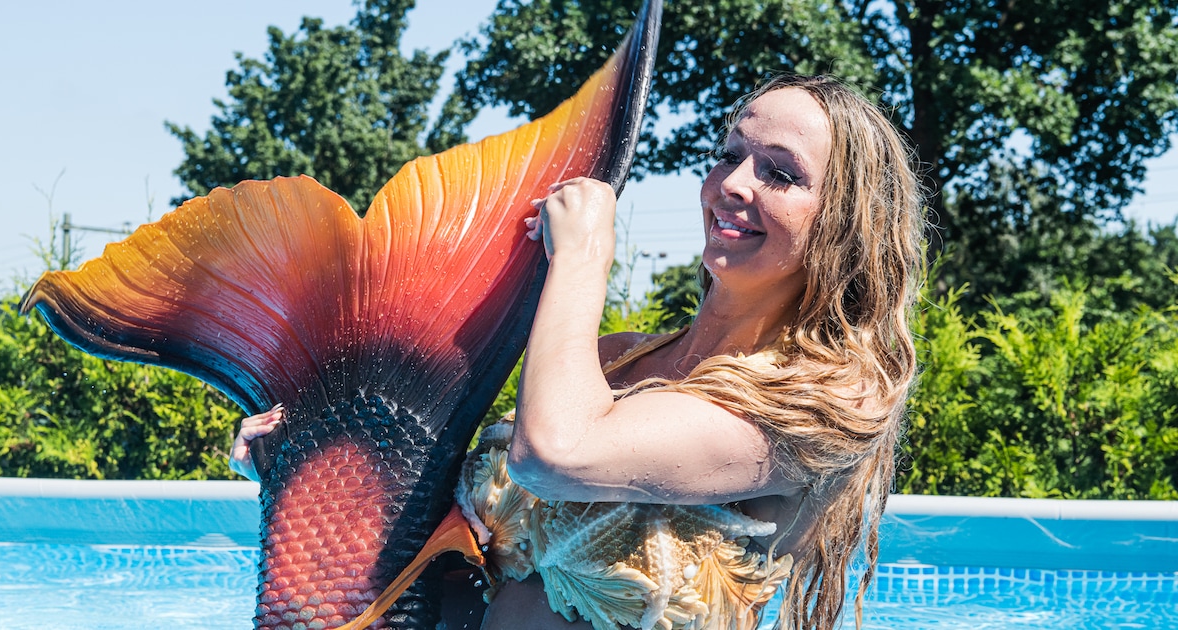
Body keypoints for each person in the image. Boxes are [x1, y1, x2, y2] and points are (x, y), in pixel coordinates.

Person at [231, 74, 925, 630]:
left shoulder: (825, 399)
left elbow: (558, 455)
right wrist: (308, 468)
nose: (733, 183)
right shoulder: (613, 362)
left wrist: (585, 256)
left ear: (846, 221)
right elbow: (455, 547)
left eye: (779, 173)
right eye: (728, 153)